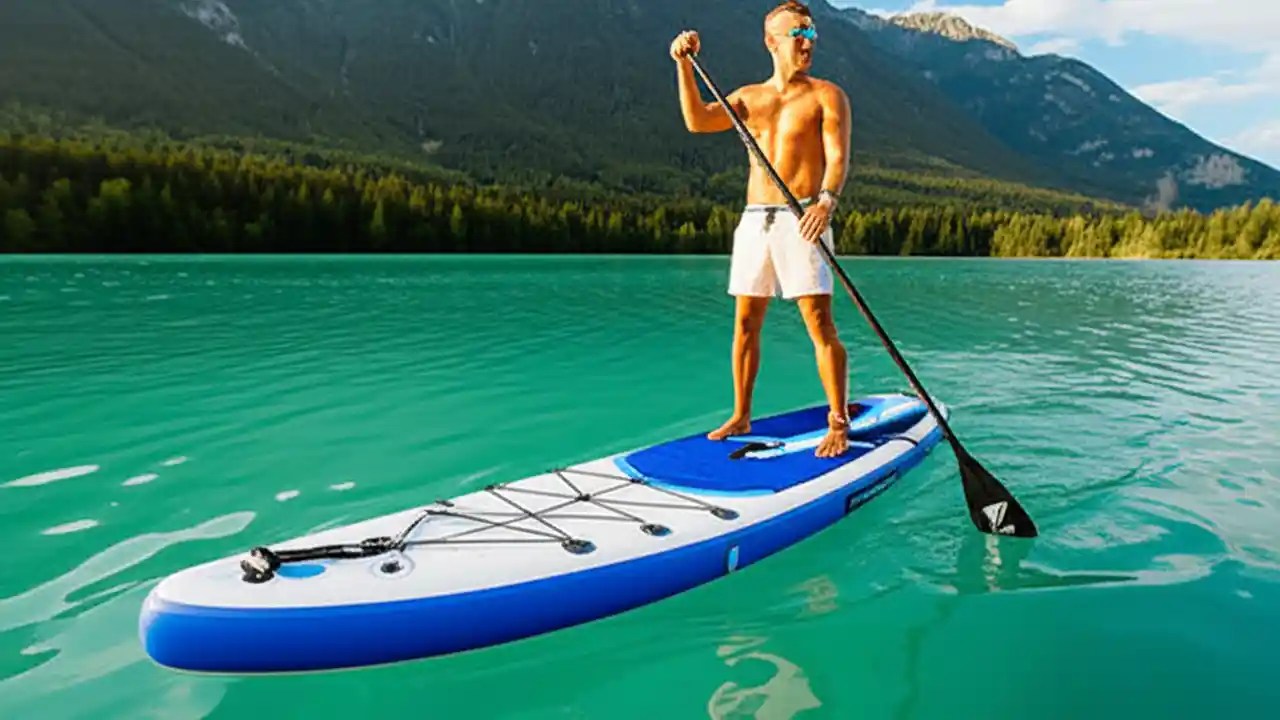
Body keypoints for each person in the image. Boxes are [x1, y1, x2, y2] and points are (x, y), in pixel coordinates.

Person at [669, 1, 853, 458]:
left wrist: (827, 202)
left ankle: (838, 419)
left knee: (820, 325)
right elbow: (696, 121)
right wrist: (683, 66)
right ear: (772, 41)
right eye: (798, 33)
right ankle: (741, 413)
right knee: (746, 324)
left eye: (811, 32)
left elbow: (837, 158)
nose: (807, 41)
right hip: (755, 221)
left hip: (804, 218)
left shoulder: (827, 95)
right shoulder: (748, 98)